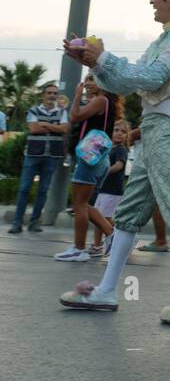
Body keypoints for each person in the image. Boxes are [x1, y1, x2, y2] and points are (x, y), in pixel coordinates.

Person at [58, 0, 170, 325]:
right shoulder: (161, 42)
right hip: (156, 130)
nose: (152, 0)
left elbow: (149, 78)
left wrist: (103, 57)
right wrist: (93, 62)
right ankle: (108, 291)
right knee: (128, 213)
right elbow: (129, 81)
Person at [53, 76, 119, 263]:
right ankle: (112, 234)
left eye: (93, 80)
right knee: (85, 204)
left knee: (79, 205)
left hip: (90, 158)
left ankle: (78, 249)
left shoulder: (101, 100)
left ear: (104, 83)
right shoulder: (106, 102)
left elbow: (74, 116)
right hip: (100, 158)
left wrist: (76, 96)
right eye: (87, 80)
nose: (88, 83)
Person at [8, 80, 69, 233]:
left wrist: (45, 124)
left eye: (55, 93)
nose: (52, 96)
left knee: (43, 190)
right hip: (33, 154)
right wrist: (54, 127)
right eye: (49, 93)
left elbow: (64, 129)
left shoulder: (62, 112)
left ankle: (34, 222)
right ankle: (17, 222)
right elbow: (33, 128)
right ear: (43, 95)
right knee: (24, 188)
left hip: (52, 156)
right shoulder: (34, 110)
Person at [89, 117, 131, 257]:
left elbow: (119, 165)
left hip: (113, 190)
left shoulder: (121, 150)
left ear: (126, 136)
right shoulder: (107, 148)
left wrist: (104, 170)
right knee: (100, 218)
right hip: (103, 189)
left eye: (123, 132)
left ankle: (98, 245)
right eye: (116, 130)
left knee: (102, 218)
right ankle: (106, 242)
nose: (119, 133)